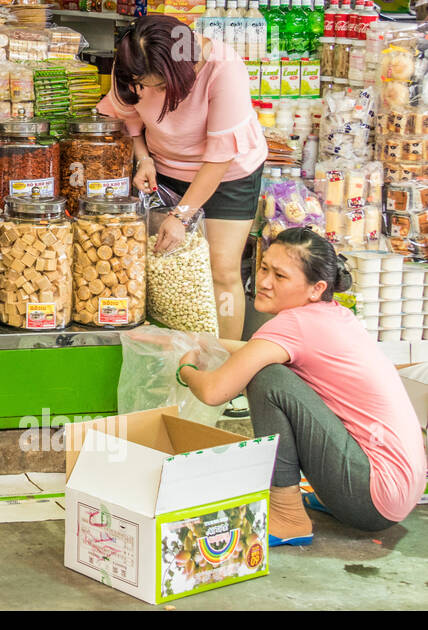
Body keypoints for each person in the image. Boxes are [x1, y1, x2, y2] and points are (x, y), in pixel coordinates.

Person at [177, 228, 427, 546]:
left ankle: (287, 516)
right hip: (396, 494)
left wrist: (186, 368)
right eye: (264, 267)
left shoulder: (292, 324)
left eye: (280, 276)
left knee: (267, 378)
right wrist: (203, 342)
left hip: (370, 498)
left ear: (316, 288)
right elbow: (256, 350)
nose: (264, 281)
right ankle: (328, 495)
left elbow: (214, 391)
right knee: (266, 366)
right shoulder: (333, 316)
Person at [98, 13, 267, 346]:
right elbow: (128, 115)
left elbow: (220, 157)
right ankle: (178, 355)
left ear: (183, 69)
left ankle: (225, 364)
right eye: (142, 84)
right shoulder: (133, 59)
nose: (148, 91)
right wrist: (143, 158)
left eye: (158, 86)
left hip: (228, 174)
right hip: (164, 167)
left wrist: (181, 215)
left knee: (221, 269)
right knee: (165, 264)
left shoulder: (223, 68)